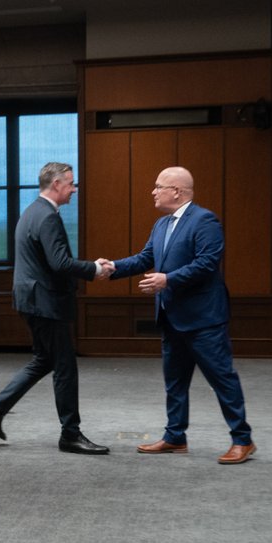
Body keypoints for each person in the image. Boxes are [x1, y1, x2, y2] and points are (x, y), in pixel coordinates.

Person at [103, 166, 255, 464]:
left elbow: (207, 263)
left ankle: (242, 440)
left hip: (204, 320)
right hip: (172, 318)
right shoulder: (161, 224)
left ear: (177, 191)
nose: (153, 191)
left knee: (222, 379)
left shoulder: (204, 220)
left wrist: (167, 279)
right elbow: (147, 258)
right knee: (175, 382)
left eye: (158, 186)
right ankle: (175, 437)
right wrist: (113, 268)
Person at [0, 162, 112, 455]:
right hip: (47, 303)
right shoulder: (47, 216)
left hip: (33, 301)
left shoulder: (31, 212)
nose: (74, 189)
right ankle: (70, 435)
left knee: (44, 360)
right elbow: (60, 263)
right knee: (65, 368)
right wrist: (94, 268)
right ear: (56, 185)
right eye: (71, 184)